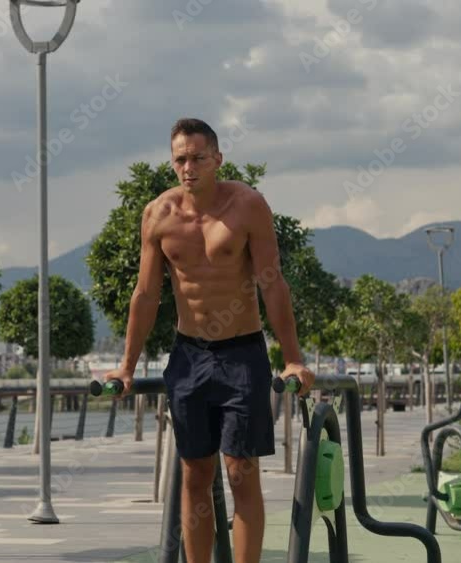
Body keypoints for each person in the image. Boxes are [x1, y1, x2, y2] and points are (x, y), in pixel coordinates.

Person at [103, 117, 316, 563]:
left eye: (198, 157)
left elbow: (272, 283)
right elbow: (145, 295)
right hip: (188, 354)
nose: (189, 167)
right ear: (172, 163)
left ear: (218, 159)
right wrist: (126, 367)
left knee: (241, 472)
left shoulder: (248, 205)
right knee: (194, 472)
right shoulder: (158, 215)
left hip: (242, 352)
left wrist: (292, 359)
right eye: (180, 159)